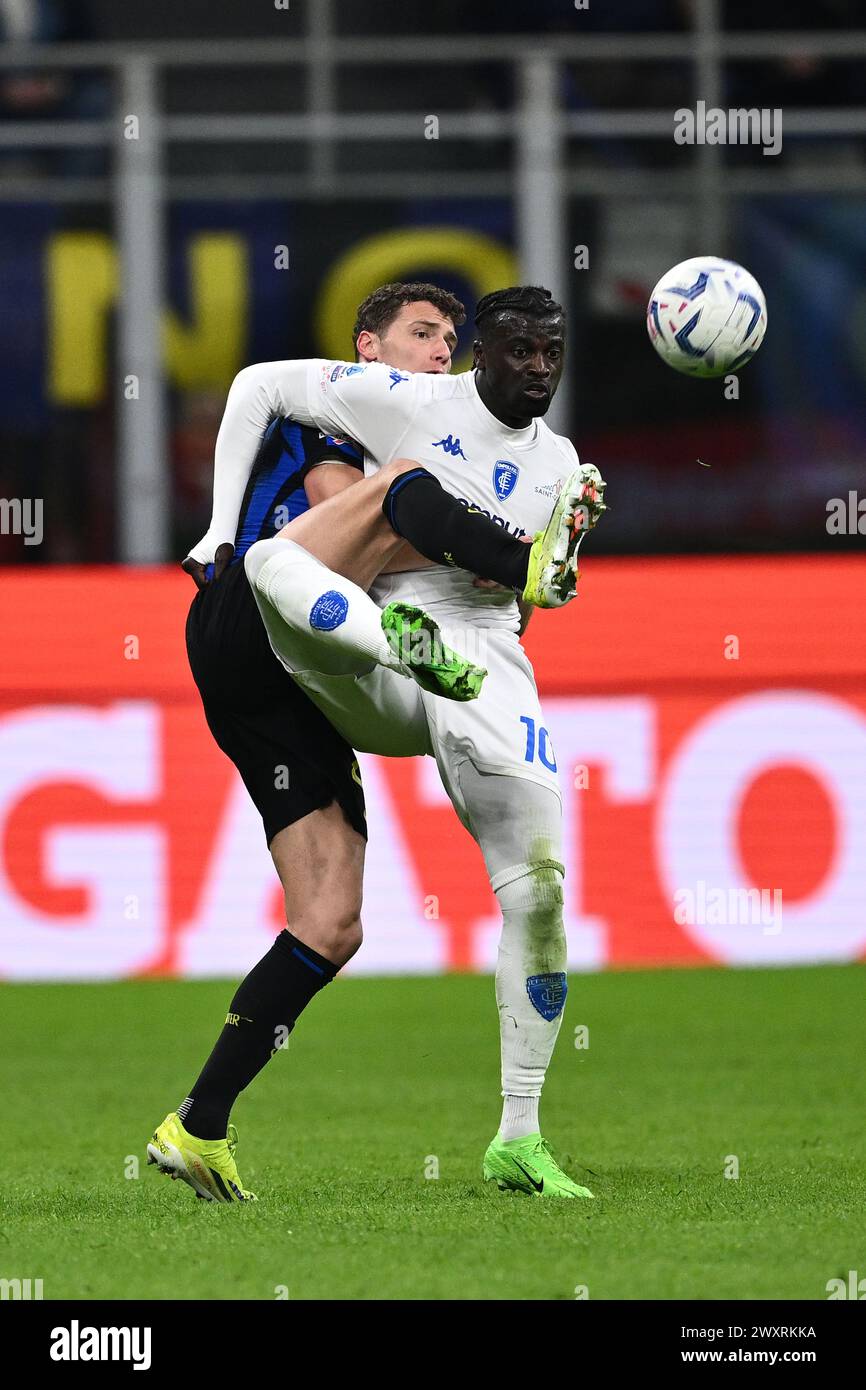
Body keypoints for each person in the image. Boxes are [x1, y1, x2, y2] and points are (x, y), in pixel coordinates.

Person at [147, 283, 598, 1203]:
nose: (437, 353)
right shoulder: (354, 429)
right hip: (257, 614)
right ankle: (410, 645)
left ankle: (197, 1125)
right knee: (391, 499)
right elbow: (353, 505)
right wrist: (219, 529)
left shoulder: (515, 454)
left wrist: (506, 597)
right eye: (420, 336)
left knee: (331, 919)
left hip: (300, 688)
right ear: (368, 347)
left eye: (444, 338)